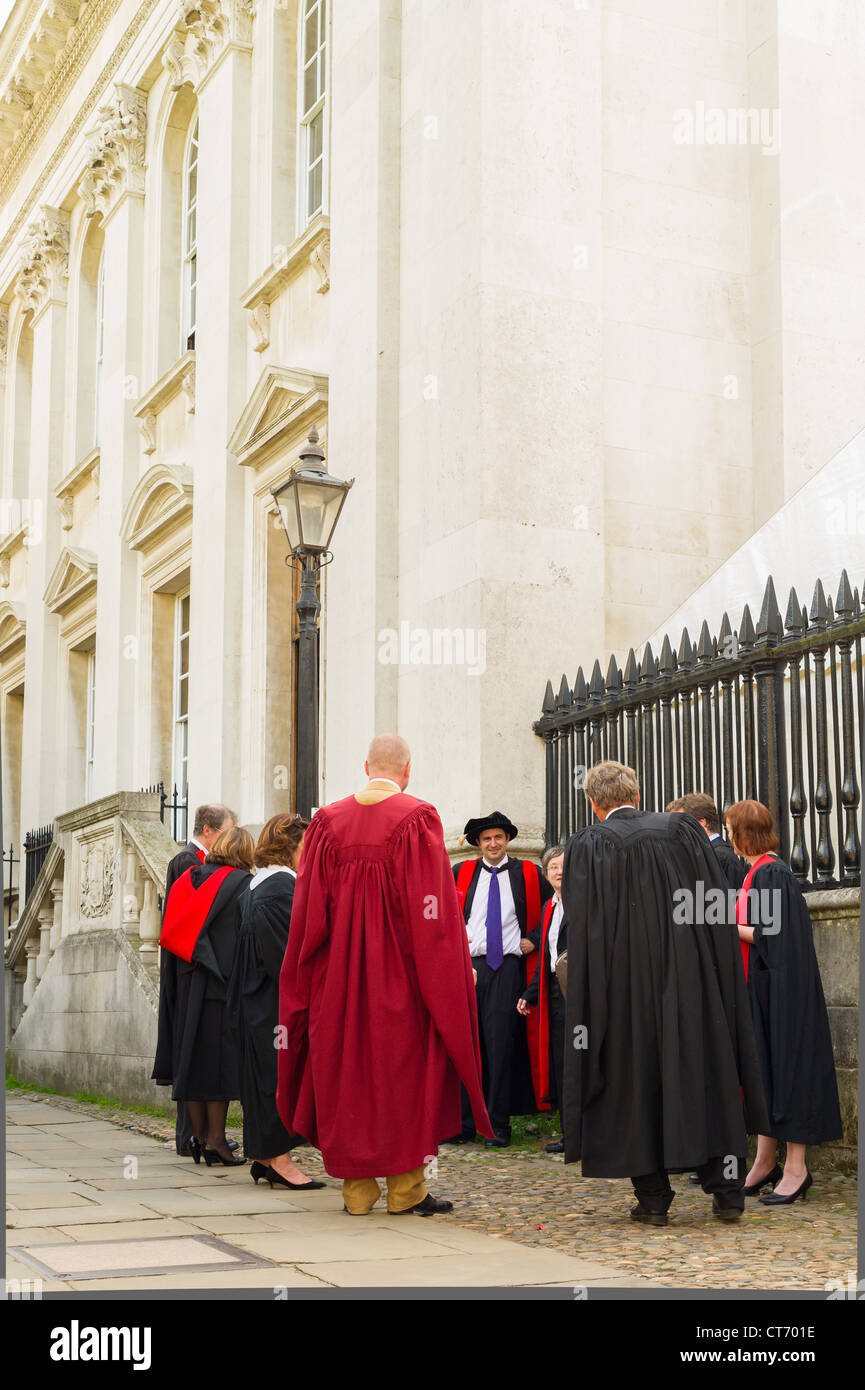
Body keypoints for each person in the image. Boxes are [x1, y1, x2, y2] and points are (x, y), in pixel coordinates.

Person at [277, 733, 492, 1216]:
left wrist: (305, 978)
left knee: (346, 1072)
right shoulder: (418, 819)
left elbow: (308, 917)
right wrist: (451, 971)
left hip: (338, 982)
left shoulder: (326, 824)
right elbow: (432, 914)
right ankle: (406, 1191)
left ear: (366, 766)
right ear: (407, 770)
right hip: (402, 979)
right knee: (403, 1075)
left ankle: (357, 1193)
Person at [561, 760, 769, 1226]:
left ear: (594, 803)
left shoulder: (589, 843)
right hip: (689, 982)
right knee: (703, 1071)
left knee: (633, 1083)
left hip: (624, 990)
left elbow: (583, 929)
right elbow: (712, 904)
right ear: (638, 793)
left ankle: (653, 1198)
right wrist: (715, 977)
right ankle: (728, 1191)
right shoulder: (682, 830)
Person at [725, 799, 842, 1205]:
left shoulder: (772, 872)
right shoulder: (755, 871)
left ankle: (796, 1169)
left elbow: (770, 935)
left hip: (782, 996)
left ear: (743, 833)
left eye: (731, 829)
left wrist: (726, 925)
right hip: (762, 991)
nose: (728, 837)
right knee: (765, 1076)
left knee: (788, 1073)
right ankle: (764, 1160)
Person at [228, 813, 325, 1192]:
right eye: (307, 848)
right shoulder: (282, 889)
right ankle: (279, 1160)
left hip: (255, 1000)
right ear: (290, 848)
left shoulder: (255, 887)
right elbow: (288, 955)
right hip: (273, 1003)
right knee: (276, 1078)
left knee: (264, 1076)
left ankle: (265, 1157)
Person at [451, 812, 553, 1146]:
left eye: (498, 837)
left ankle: (496, 1124)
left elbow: (555, 907)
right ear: (478, 844)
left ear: (507, 839)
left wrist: (535, 938)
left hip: (507, 968)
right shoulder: (461, 873)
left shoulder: (528, 873)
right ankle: (463, 1124)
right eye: (486, 839)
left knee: (499, 1045)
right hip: (469, 968)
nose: (493, 844)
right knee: (467, 1046)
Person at [153, 824, 253, 1166]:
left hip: (186, 984)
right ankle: (216, 1140)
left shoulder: (188, 878)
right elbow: (242, 938)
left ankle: (197, 1137)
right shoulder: (240, 884)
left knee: (191, 1062)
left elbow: (171, 932)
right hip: (219, 986)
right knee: (218, 1068)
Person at [164, 803, 237, 1157]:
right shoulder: (191, 865)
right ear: (208, 831)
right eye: (226, 832)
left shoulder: (195, 865)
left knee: (192, 1056)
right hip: (196, 968)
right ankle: (194, 1137)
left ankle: (198, 1138)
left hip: (192, 967)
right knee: (198, 1058)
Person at [517, 844, 567, 1153]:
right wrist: (529, 995)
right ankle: (569, 1132)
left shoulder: (583, 902)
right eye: (553, 868)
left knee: (579, 1063)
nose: (560, 872)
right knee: (561, 1062)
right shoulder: (550, 906)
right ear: (546, 874)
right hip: (554, 991)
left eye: (565, 866)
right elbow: (547, 960)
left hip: (578, 992)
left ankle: (586, 1134)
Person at [667, 792, 747, 890]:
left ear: (701, 823)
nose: (675, 830)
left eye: (681, 823)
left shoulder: (723, 857)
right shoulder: (703, 853)